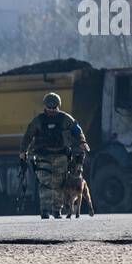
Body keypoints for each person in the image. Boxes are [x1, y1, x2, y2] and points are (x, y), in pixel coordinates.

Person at [20, 91, 87, 219]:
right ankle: (45, 210)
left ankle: (57, 210)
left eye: (54, 108)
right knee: (45, 182)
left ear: (59, 106)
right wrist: (23, 151)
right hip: (43, 156)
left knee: (59, 183)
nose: (51, 110)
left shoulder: (66, 118)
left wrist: (82, 142)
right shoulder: (38, 120)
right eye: (49, 107)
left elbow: (77, 130)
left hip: (61, 155)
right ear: (45, 106)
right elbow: (28, 135)